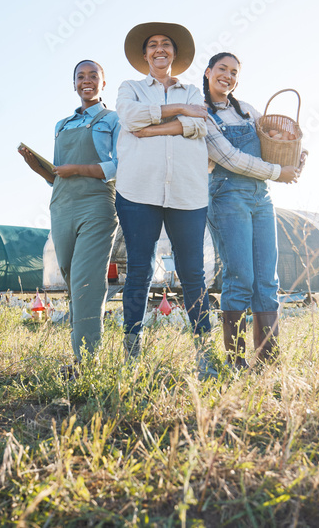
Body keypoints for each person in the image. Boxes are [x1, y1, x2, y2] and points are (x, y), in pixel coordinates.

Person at [114, 21, 219, 379]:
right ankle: (132, 354)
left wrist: (155, 127)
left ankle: (204, 356)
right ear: (144, 55)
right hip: (138, 191)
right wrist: (179, 114)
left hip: (187, 192)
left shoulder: (192, 91)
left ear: (175, 53)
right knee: (139, 271)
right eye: (153, 45)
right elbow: (128, 118)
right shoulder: (130, 88)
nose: (160, 49)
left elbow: (200, 125)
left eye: (166, 45)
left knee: (193, 273)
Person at [202, 52, 304, 369]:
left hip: (261, 196)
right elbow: (229, 158)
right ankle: (236, 361)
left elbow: (272, 141)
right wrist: (277, 171)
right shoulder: (201, 114)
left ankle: (267, 360)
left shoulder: (248, 111)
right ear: (208, 72)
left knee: (267, 280)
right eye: (222, 69)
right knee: (241, 276)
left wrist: (294, 157)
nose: (228, 76)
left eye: (234, 72)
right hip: (227, 193)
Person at [19, 60, 119, 375]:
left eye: (94, 76)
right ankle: (80, 351)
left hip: (96, 203)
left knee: (87, 280)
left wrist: (79, 169)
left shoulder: (113, 120)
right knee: (71, 278)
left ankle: (87, 362)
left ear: (104, 83)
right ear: (73, 83)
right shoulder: (61, 125)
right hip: (61, 203)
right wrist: (40, 168)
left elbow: (122, 164)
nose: (86, 81)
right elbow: (57, 174)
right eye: (81, 76)